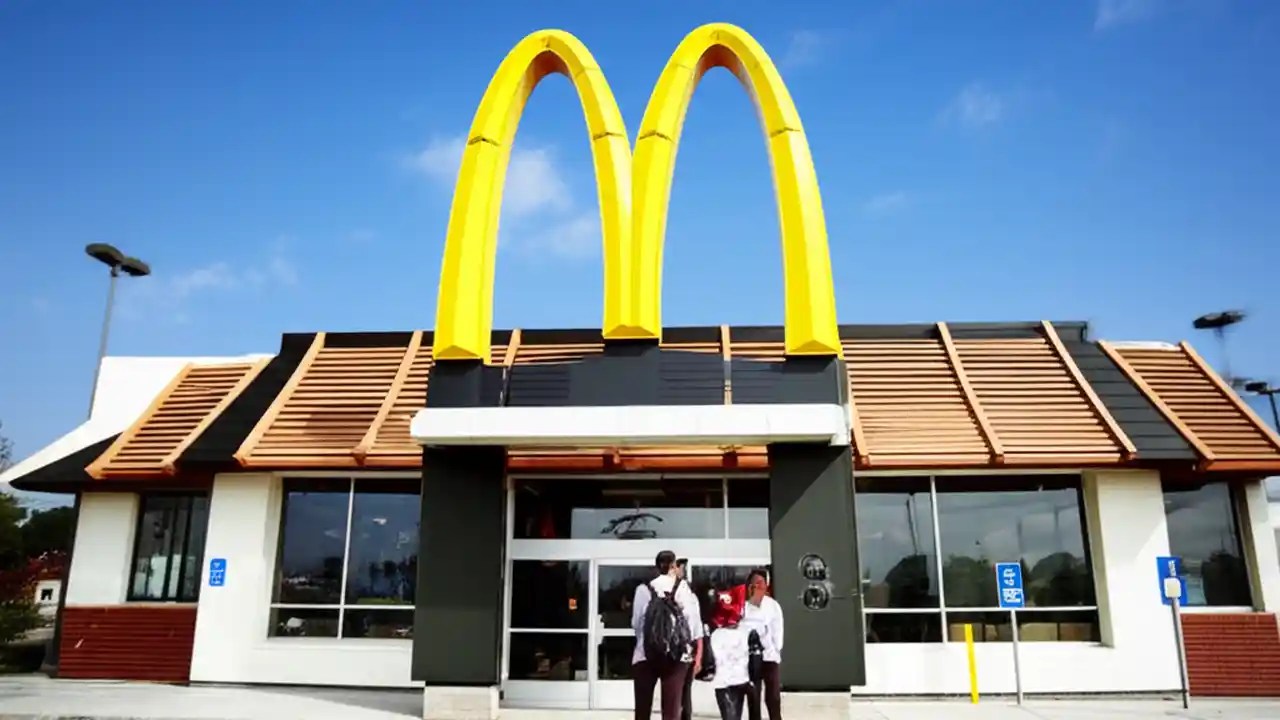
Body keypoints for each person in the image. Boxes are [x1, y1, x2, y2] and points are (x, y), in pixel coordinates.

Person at [632, 550, 703, 720]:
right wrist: (696, 655)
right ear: (673, 565)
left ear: (657, 567)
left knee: (642, 710)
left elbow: (636, 624)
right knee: (671, 711)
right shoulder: (682, 588)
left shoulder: (643, 589)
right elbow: (693, 625)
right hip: (676, 656)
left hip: (645, 654)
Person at [741, 568, 784, 720]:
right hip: (751, 658)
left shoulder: (773, 606)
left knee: (773, 698)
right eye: (754, 584)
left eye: (761, 583)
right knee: (753, 697)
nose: (757, 587)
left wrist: (768, 643)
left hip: (770, 657)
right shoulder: (744, 607)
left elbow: (777, 635)